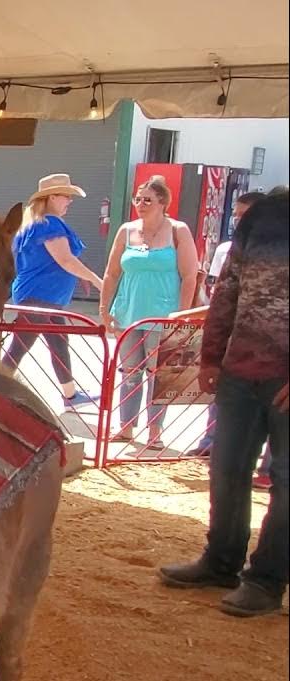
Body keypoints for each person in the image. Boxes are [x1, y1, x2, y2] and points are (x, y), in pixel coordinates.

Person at [159, 189, 287, 617]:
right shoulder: (260, 219)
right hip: (240, 372)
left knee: (286, 482)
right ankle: (221, 562)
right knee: (227, 468)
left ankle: (267, 580)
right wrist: (211, 354)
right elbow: (227, 291)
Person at [101, 175, 199, 450]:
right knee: (129, 372)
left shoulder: (178, 230)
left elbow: (189, 275)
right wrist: (104, 308)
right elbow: (111, 273)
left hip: (164, 315)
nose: (141, 204)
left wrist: (181, 316)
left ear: (163, 203)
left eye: (147, 200)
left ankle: (155, 431)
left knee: (159, 375)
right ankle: (125, 426)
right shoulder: (126, 230)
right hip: (128, 312)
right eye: (138, 199)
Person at [1, 174, 104, 406]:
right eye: (66, 196)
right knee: (19, 347)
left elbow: (60, 260)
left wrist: (81, 275)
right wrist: (97, 280)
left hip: (42, 296)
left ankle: (70, 395)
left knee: (58, 343)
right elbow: (65, 260)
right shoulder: (50, 224)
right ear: (51, 198)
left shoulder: (34, 224)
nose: (69, 201)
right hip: (41, 297)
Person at [190, 191, 267, 460]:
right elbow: (220, 298)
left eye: (244, 215)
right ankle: (212, 442)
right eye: (236, 215)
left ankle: (269, 465)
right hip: (235, 339)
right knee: (224, 393)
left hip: (273, 345)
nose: (238, 220)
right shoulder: (227, 250)